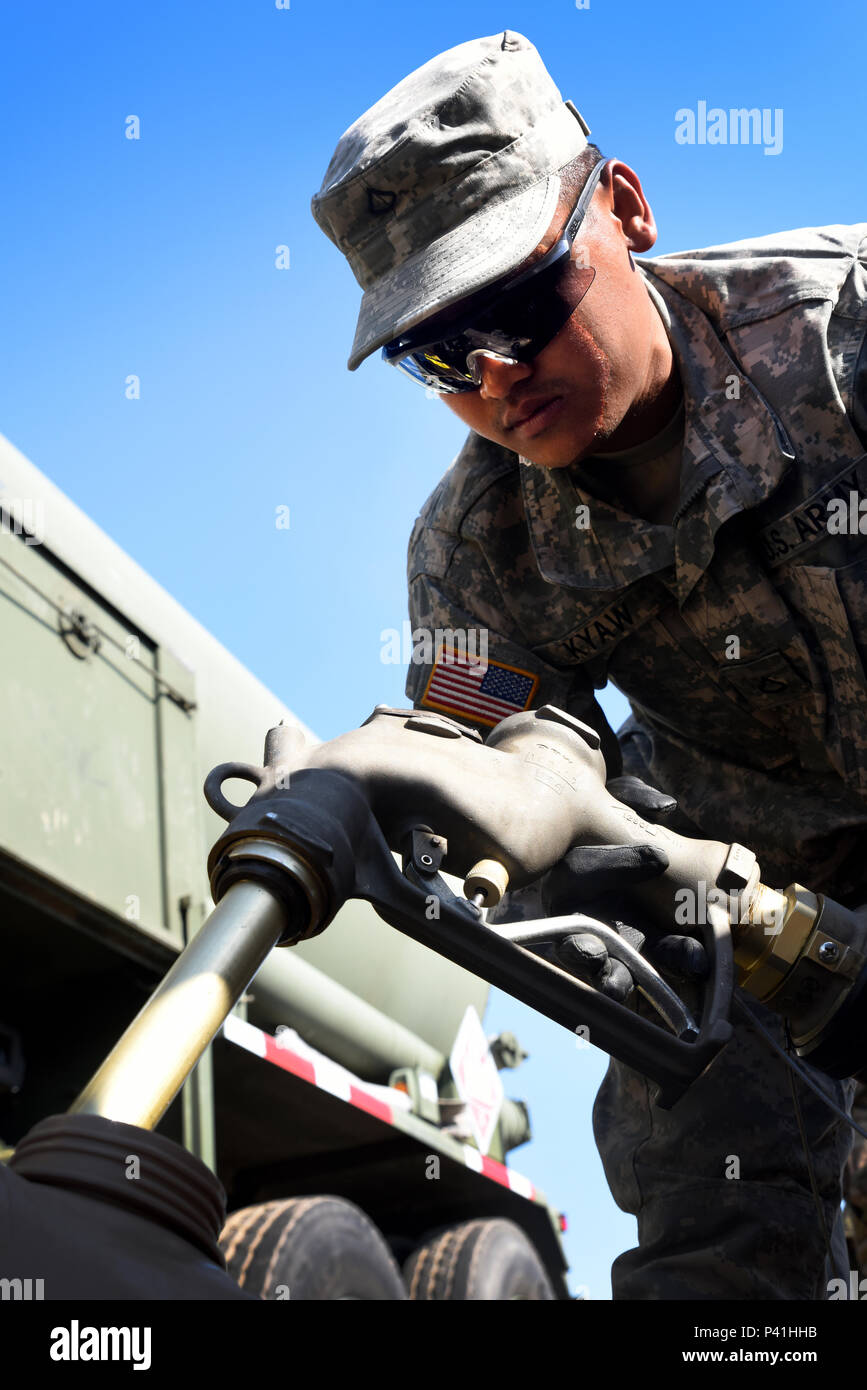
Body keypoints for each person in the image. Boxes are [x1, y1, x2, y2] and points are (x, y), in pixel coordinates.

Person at [311, 30, 867, 1298]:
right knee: (719, 1233)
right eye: (437, 354)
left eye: (515, 302)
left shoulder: (847, 338)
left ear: (624, 206)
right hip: (739, 897)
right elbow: (531, 788)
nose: (495, 376)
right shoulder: (472, 558)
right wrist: (513, 792)